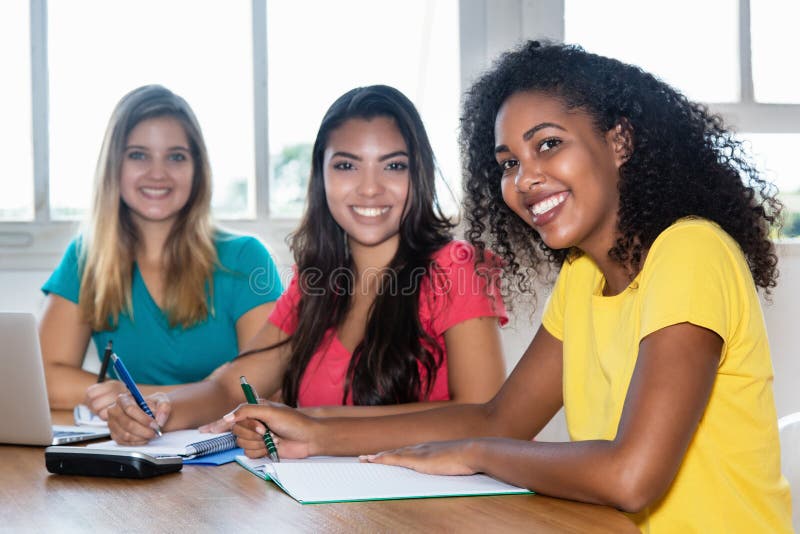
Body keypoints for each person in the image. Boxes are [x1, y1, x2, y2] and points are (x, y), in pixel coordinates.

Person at [223, 43, 792, 533]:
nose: (524, 178)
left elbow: (630, 476)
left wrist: (473, 454)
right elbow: (497, 419)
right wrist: (315, 432)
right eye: (506, 162)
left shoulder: (690, 251)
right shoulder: (582, 279)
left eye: (548, 144)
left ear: (618, 142)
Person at [106, 84, 508, 442]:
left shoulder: (457, 267)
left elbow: (487, 415)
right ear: (321, 176)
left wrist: (314, 425)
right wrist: (161, 408)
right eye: (347, 165)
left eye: (394, 165)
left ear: (419, 174)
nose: (370, 188)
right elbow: (232, 387)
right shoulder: (316, 283)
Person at [40, 85, 283, 419]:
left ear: (197, 169)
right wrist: (140, 402)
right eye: (138, 155)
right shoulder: (87, 259)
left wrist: (135, 397)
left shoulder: (246, 258)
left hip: (226, 455)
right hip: (130, 450)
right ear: (114, 166)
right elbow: (46, 379)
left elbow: (266, 389)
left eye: (176, 156)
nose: (158, 173)